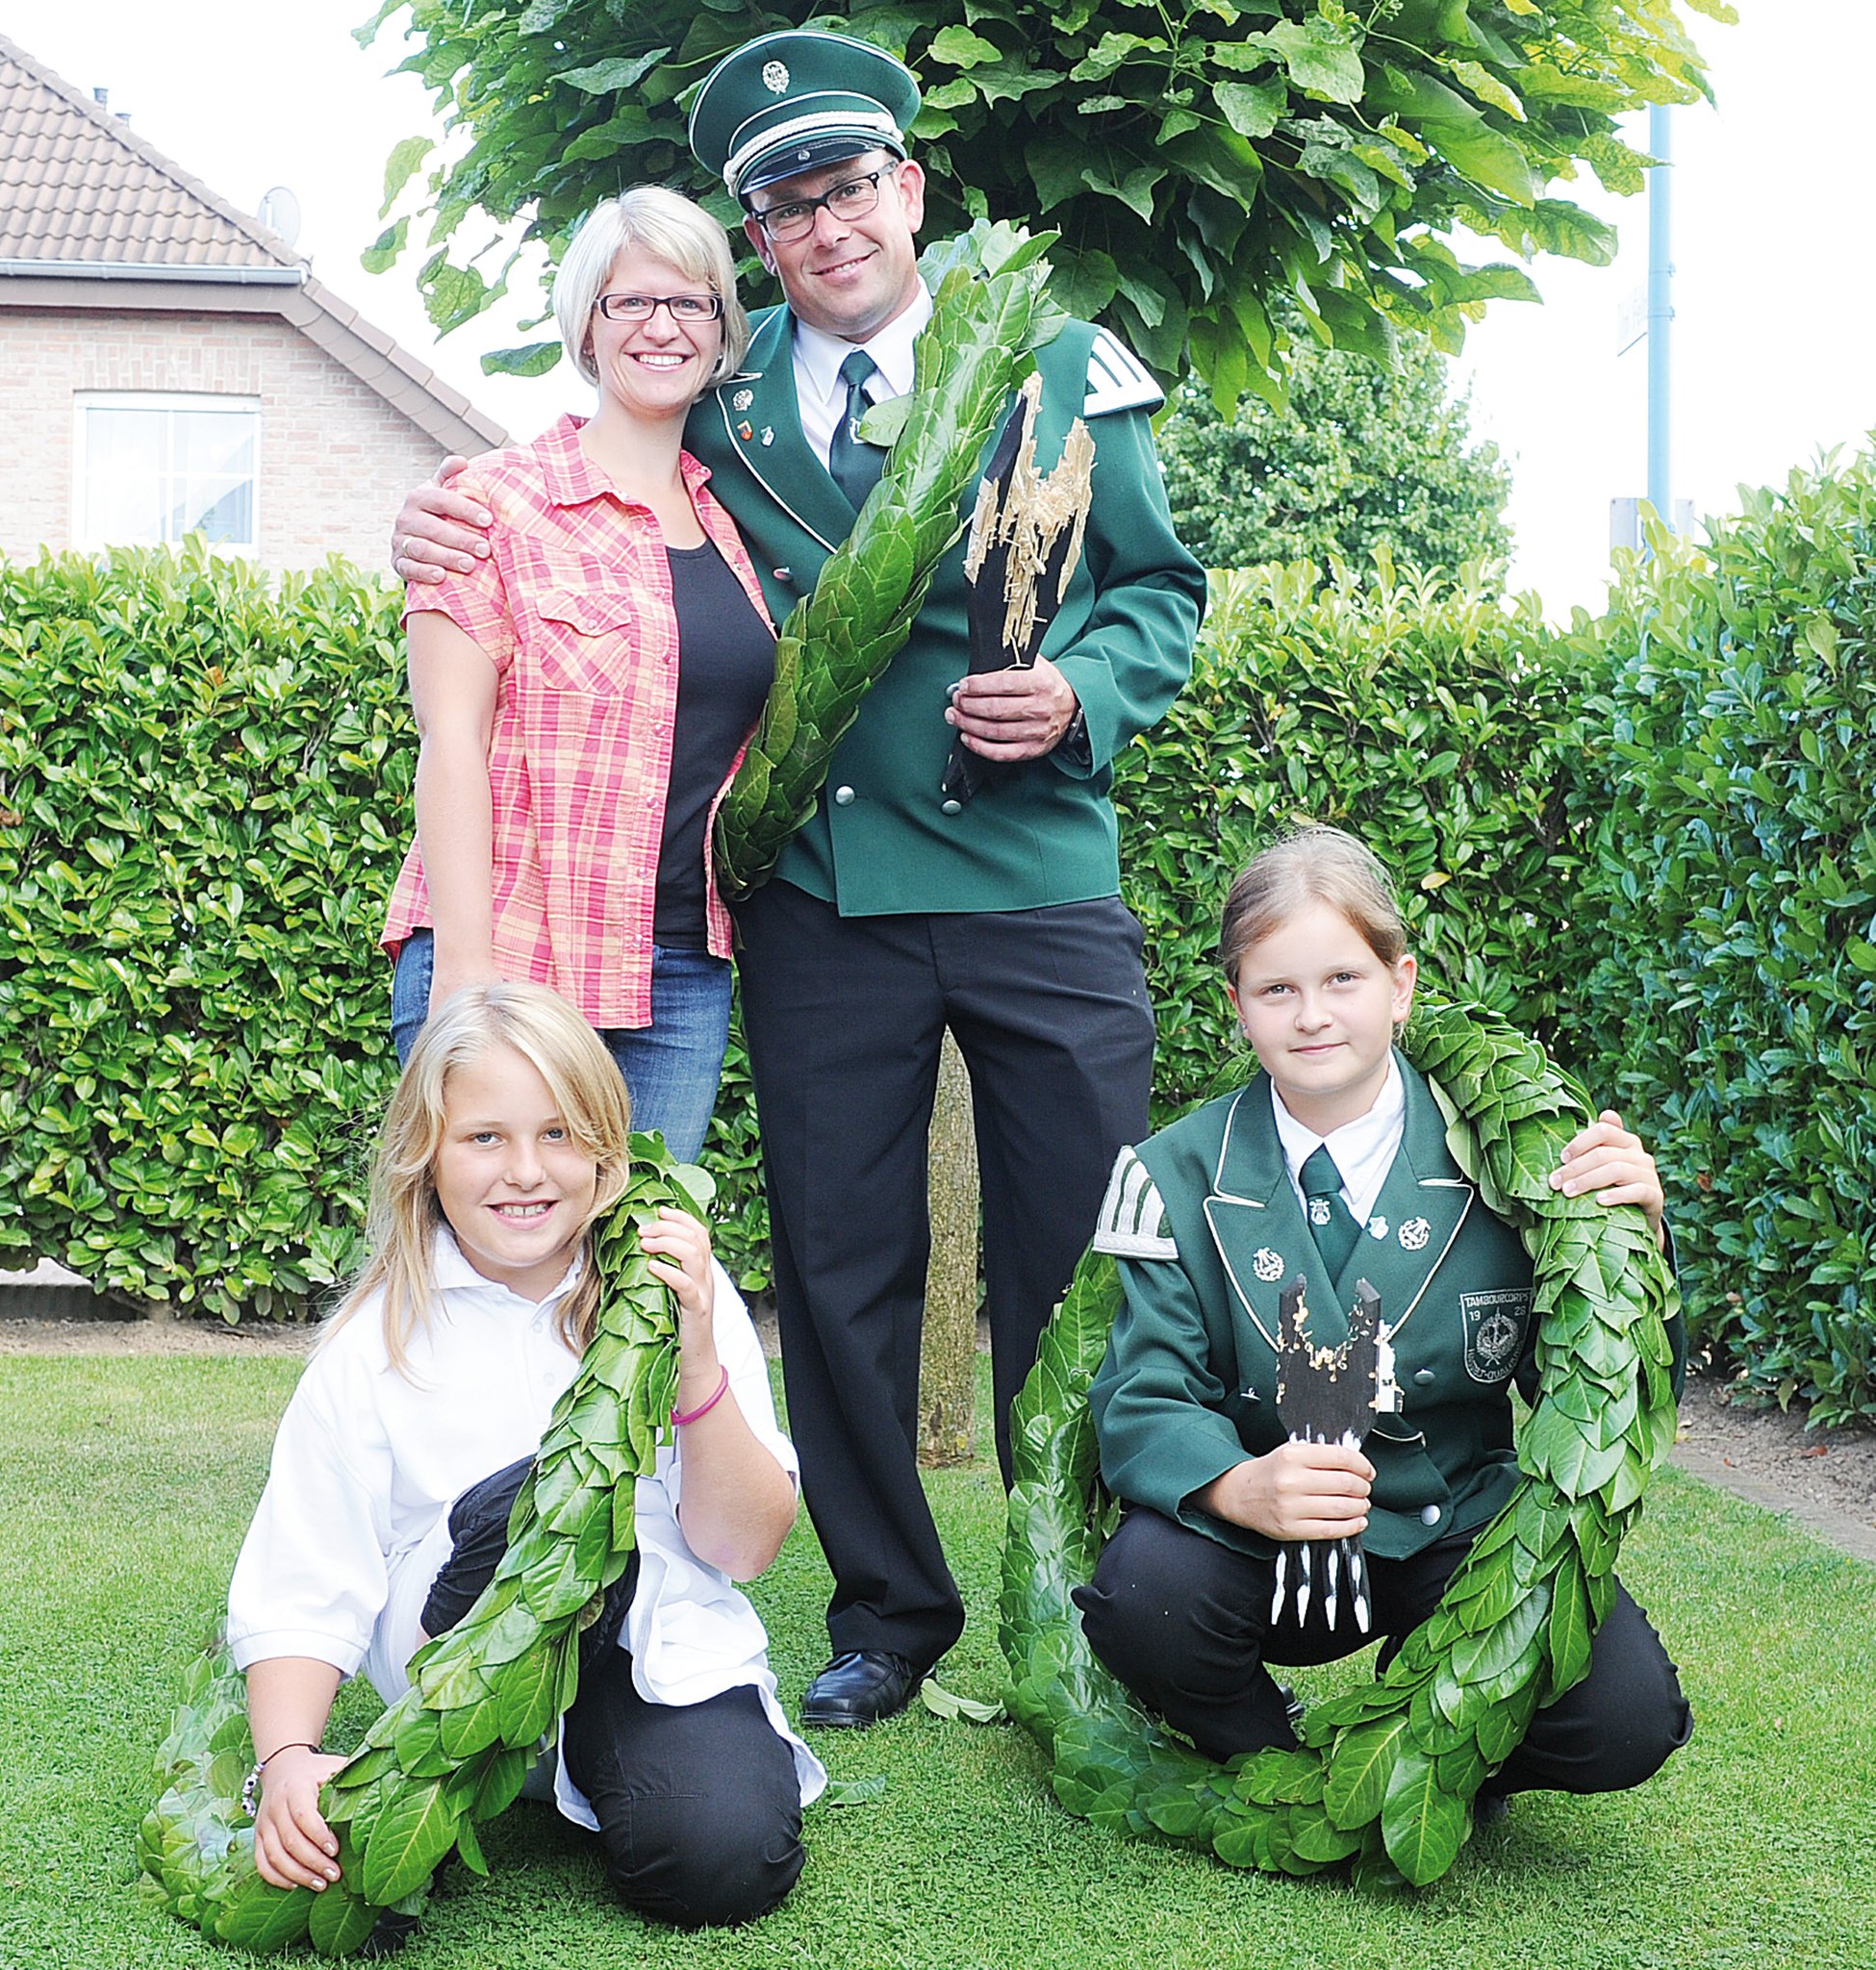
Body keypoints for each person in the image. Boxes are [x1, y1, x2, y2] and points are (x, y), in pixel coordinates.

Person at [390, 29, 1206, 1730]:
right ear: (756, 240)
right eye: (781, 207)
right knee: (841, 1260)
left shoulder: (1056, 369)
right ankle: (887, 1613)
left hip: (1033, 868)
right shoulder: (724, 406)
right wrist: (432, 521)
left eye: (846, 188)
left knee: (1083, 1250)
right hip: (822, 888)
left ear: (909, 190)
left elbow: (1155, 592)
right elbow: (584, 520)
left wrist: (1079, 693)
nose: (822, 226)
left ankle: (1098, 1597)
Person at [1075, 826, 1692, 1806]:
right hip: (1261, 1534)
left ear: (1401, 984)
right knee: (1144, 1594)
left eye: (1344, 980)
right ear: (1237, 1004)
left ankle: (1444, 1729)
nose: (1312, 1015)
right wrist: (1239, 1483)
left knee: (1624, 1715)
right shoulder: (1173, 1172)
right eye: (1276, 989)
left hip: (1454, 1528)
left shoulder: (1520, 1160)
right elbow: (1142, 1394)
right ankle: (1265, 1748)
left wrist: (1638, 1242)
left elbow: (1598, 1377)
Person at [225, 982, 823, 1932]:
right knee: (535, 1493)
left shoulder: (676, 1291)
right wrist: (288, 1755)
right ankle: (467, 1764)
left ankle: (587, 1758)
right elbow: (306, 1574)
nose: (525, 1170)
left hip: (640, 1642)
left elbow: (744, 1547)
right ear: (426, 1155)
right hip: (453, 1658)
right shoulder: (371, 1346)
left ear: (604, 1151)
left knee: (722, 1858)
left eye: (557, 1133)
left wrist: (698, 1361)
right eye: (485, 1137)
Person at [381, 187, 780, 1165]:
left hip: (678, 971)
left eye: (691, 303)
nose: (662, 326)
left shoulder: (732, 529)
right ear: (587, 327)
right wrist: (469, 978)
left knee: (632, 1282)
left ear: (722, 331)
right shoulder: (491, 503)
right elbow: (451, 746)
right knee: (485, 1268)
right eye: (630, 301)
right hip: (517, 949)